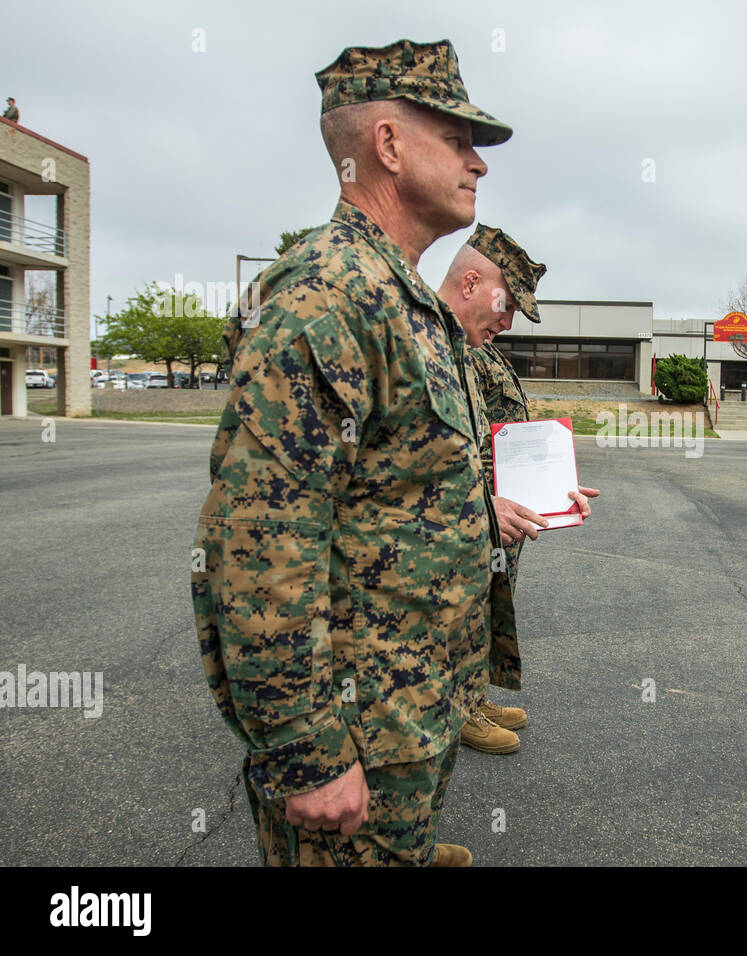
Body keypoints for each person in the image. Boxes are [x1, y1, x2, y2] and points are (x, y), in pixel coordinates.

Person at [192, 38, 521, 868]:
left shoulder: (402, 297)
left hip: (412, 708)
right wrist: (307, 749)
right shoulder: (327, 293)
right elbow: (260, 541)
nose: (477, 162)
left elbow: (393, 491)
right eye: (457, 138)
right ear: (386, 145)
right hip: (358, 730)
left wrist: (489, 514)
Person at [436, 223, 600, 755]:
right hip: (463, 520)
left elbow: (497, 440)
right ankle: (455, 709)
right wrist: (482, 505)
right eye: (507, 307)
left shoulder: (469, 345)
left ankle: (469, 698)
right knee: (461, 614)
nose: (507, 322)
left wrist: (557, 489)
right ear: (471, 281)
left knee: (483, 608)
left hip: (497, 508)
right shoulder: (436, 345)